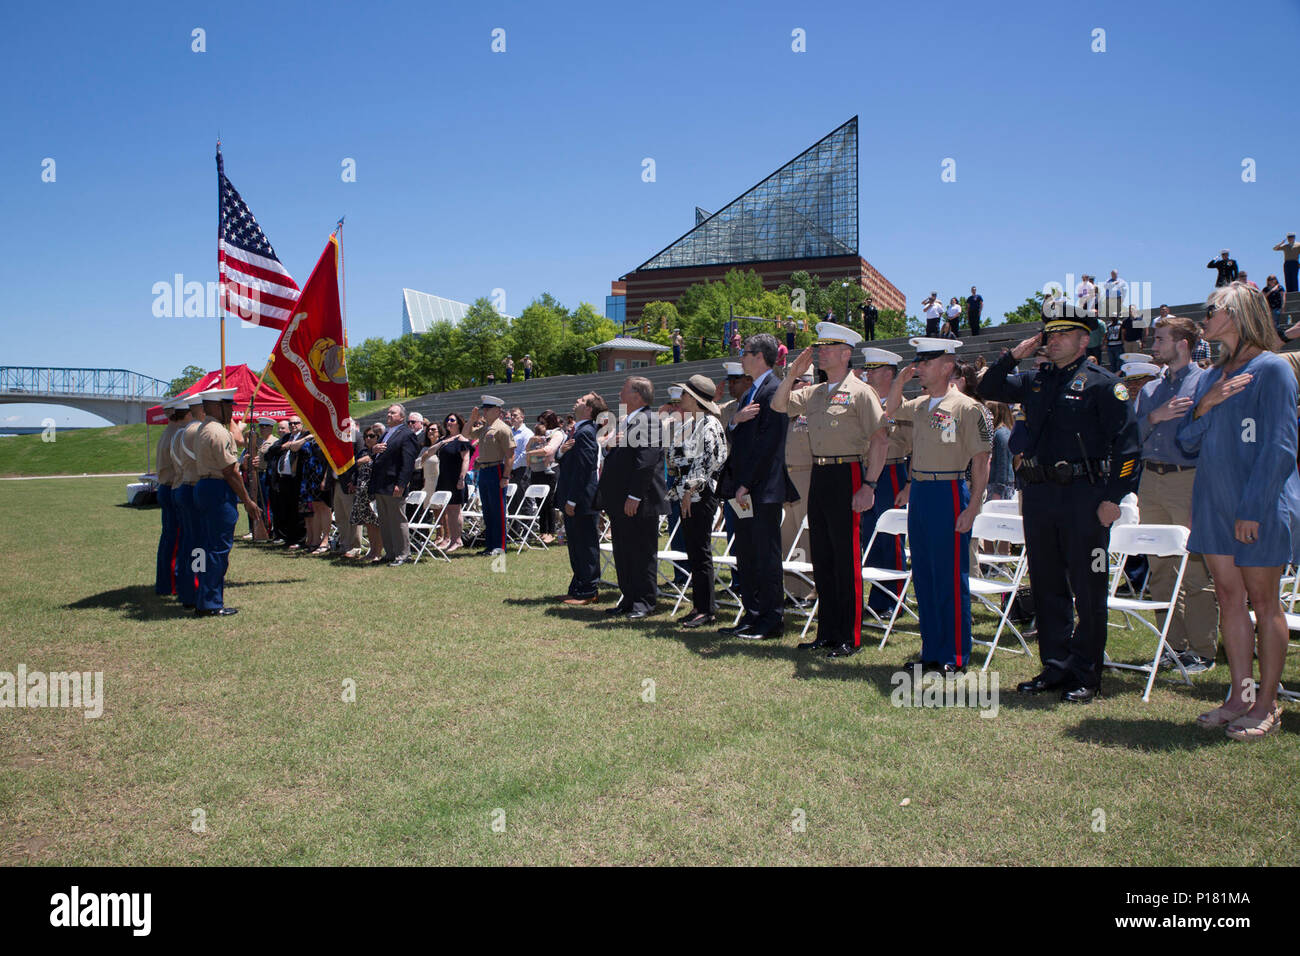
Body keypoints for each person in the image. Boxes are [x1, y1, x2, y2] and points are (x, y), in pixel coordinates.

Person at [978, 301, 1141, 702]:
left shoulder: (1105, 384)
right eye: (1049, 334)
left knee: (1088, 586)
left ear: (1085, 341)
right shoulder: (1036, 380)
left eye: (1063, 334)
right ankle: (1055, 666)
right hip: (1039, 494)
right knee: (1047, 583)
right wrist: (1014, 354)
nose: (1053, 341)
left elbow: (1129, 448)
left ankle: (1086, 672)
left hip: (1085, 497)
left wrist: (1113, 499)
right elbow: (987, 388)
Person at [1177, 282, 1299, 739]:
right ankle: (1239, 695)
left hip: (1259, 506)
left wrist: (1252, 508)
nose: (1204, 317)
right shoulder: (1210, 376)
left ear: (1238, 312)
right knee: (1229, 600)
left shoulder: (1274, 370)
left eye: (1212, 310)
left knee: (1265, 604)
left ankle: (1267, 703)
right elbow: (1188, 444)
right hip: (1214, 504)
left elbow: (1282, 447)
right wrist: (1203, 407)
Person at [774, 324, 887, 655]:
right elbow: (780, 405)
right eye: (820, 347)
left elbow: (880, 440)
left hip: (847, 471)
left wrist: (869, 485)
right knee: (822, 557)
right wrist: (792, 372)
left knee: (845, 557)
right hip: (819, 473)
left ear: (845, 354)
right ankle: (826, 632)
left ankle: (849, 636)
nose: (820, 352)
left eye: (828, 347)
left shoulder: (861, 392)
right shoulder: (816, 393)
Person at [883, 339, 991, 674]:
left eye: (925, 363)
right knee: (926, 576)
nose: (919, 368)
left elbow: (982, 460)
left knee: (949, 576)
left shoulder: (968, 408)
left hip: (949, 490)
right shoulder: (920, 406)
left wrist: (972, 506)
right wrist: (899, 382)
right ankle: (931, 650)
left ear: (946, 366)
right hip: (923, 493)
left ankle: (955, 655)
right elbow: (890, 410)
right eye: (917, 362)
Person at [1133, 314, 1217, 673]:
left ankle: (1203, 650)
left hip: (1190, 479)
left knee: (1196, 569)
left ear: (1182, 344)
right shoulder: (1151, 390)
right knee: (1160, 567)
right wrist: (1155, 417)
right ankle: (1173, 646)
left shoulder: (1206, 382)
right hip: (1150, 481)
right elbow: (1131, 436)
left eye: (1161, 340)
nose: (1154, 346)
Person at [717, 333, 797, 640]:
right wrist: (735, 422)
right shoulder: (751, 391)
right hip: (744, 488)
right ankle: (751, 615)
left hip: (762, 489)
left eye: (745, 352)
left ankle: (770, 619)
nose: (741, 356)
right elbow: (741, 437)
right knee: (746, 553)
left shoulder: (774, 390)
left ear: (760, 356)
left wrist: (747, 484)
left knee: (765, 554)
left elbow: (769, 445)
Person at [597, 376, 668, 619]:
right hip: (621, 499)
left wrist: (634, 496)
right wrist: (608, 447)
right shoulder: (628, 420)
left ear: (637, 395)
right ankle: (628, 597)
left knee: (641, 552)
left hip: (639, 500)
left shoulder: (648, 420)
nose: (619, 394)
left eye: (624, 390)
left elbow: (646, 462)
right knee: (624, 552)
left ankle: (644, 601)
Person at [192, 388, 263, 617]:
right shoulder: (219, 433)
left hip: (204, 487)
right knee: (218, 549)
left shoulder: (203, 430)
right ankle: (211, 602)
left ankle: (200, 594)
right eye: (228, 406)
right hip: (218, 489)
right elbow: (230, 471)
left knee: (202, 547)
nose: (232, 410)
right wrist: (248, 501)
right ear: (215, 406)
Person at [667, 375, 729, 628]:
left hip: (699, 495)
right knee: (693, 550)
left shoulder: (709, 424)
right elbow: (674, 458)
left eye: (684, 394)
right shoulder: (690, 423)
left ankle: (706, 609)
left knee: (700, 551)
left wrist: (689, 491)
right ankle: (699, 606)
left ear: (694, 398)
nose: (680, 398)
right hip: (686, 493)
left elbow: (708, 462)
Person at [858, 348, 910, 616]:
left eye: (874, 369)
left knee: (892, 538)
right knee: (871, 538)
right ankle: (878, 599)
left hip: (892, 472)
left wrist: (909, 484)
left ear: (889, 373)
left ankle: (895, 600)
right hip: (867, 473)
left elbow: (915, 446)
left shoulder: (902, 405)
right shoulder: (864, 401)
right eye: (868, 369)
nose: (868, 374)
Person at [556, 392, 606, 605]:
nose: (576, 400)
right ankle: (577, 587)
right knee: (576, 545)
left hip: (582, 499)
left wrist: (573, 500)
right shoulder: (580, 430)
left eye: (581, 400)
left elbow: (584, 469)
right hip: (574, 496)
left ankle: (588, 590)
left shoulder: (586, 432)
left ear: (588, 409)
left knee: (585, 545)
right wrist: (560, 452)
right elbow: (568, 460)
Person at [369, 403, 421, 566]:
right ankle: (390, 553)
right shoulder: (386, 433)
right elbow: (381, 455)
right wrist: (374, 450)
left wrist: (402, 484)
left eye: (393, 412)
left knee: (397, 520)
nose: (389, 415)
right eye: (388, 412)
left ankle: (403, 554)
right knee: (385, 520)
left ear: (402, 417)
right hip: (381, 484)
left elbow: (408, 462)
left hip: (394, 484)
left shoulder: (406, 434)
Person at [780, 370, 815, 604]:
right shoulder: (784, 412)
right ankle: (792, 590)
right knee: (787, 535)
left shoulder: (813, 411)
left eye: (795, 382)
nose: (791, 386)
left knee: (807, 537)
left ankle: (811, 589)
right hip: (785, 478)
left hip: (807, 477)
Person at [172, 393, 207, 609]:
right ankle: (195, 588)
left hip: (183, 485)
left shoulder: (180, 433)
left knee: (188, 544)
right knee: (199, 547)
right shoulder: (198, 431)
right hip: (194, 487)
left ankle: (185, 588)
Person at [466, 396, 514, 556]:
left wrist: (506, 476)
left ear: (497, 410)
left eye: (487, 409)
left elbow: (510, 455)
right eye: (483, 409)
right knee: (487, 510)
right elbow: (467, 434)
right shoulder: (486, 427)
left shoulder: (503, 429)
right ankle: (490, 545)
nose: (484, 412)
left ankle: (499, 546)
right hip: (484, 470)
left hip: (496, 469)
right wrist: (471, 420)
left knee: (498, 509)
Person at [153, 398, 186, 597]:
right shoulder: (177, 435)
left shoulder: (167, 433)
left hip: (166, 487)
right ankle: (172, 583)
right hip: (174, 486)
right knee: (176, 540)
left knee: (168, 538)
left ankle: (165, 582)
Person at [432, 413, 473, 553]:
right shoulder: (444, 440)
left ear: (459, 423)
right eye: (447, 420)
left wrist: (462, 478)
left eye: (452, 420)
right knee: (448, 510)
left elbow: (466, 459)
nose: (449, 422)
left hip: (456, 478)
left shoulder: (462, 439)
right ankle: (450, 539)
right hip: (444, 477)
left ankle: (457, 540)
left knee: (455, 510)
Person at [527, 410, 566, 544]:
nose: (540, 424)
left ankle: (551, 531)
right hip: (537, 470)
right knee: (539, 502)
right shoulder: (540, 434)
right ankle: (543, 531)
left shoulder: (557, 433)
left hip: (551, 470)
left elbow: (549, 450)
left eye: (543, 421)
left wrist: (530, 453)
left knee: (548, 502)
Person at [349, 424, 385, 561]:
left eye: (371, 436)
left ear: (378, 437)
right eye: (365, 436)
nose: (368, 439)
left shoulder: (381, 453)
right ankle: (371, 550)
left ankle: (377, 552)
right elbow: (355, 468)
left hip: (373, 492)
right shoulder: (363, 452)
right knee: (368, 523)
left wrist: (371, 456)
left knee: (376, 523)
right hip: (361, 491)